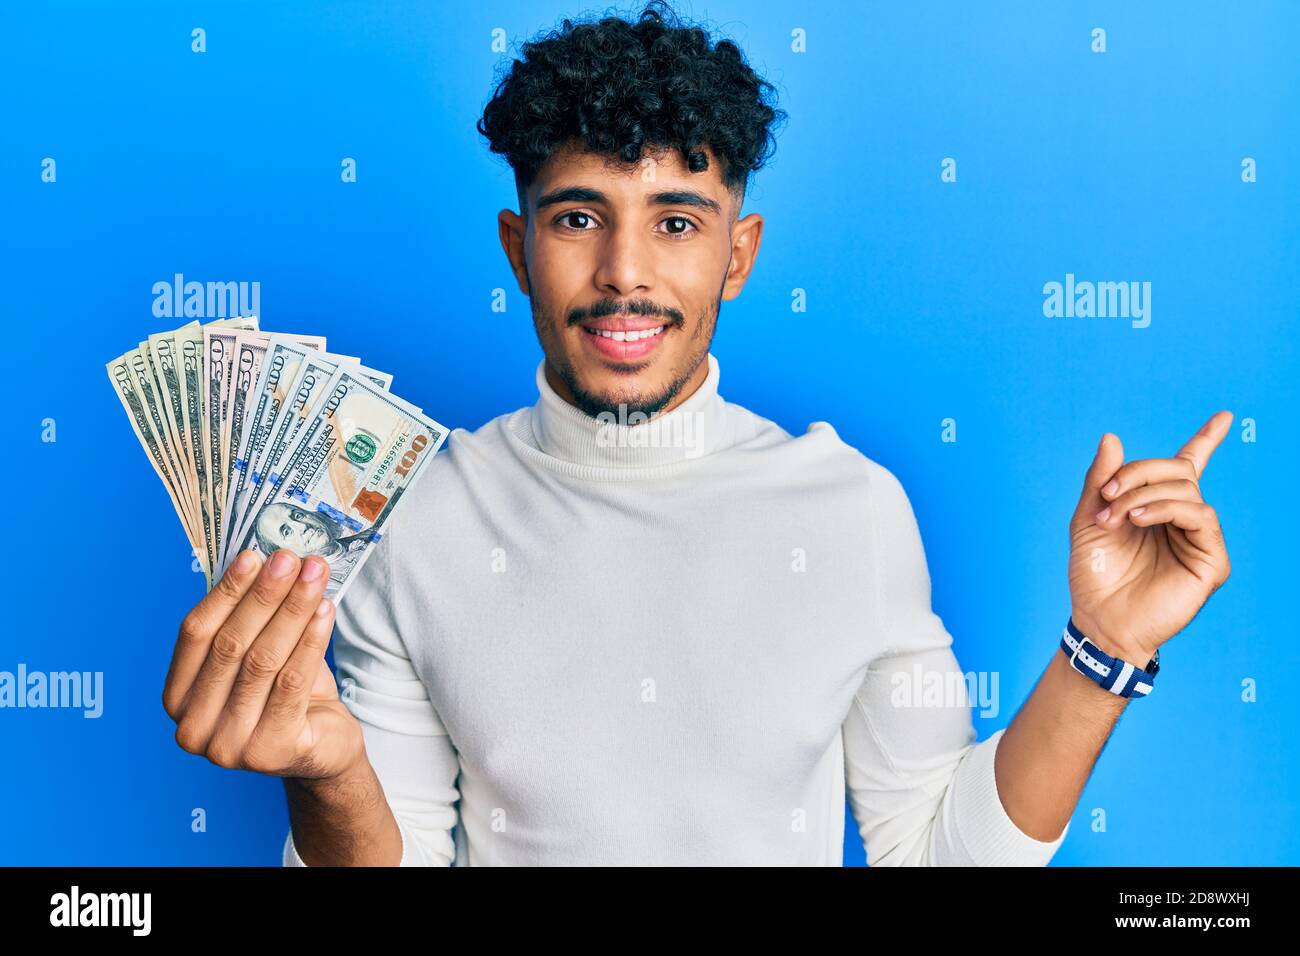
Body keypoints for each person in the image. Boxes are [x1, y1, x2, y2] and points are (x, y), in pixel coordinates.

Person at [161, 1, 1232, 866]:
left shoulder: (851, 508)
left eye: (676, 221)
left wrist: (1108, 648)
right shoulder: (419, 514)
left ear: (738, 252)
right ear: (517, 246)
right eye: (578, 216)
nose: (625, 270)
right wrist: (328, 771)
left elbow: (941, 856)